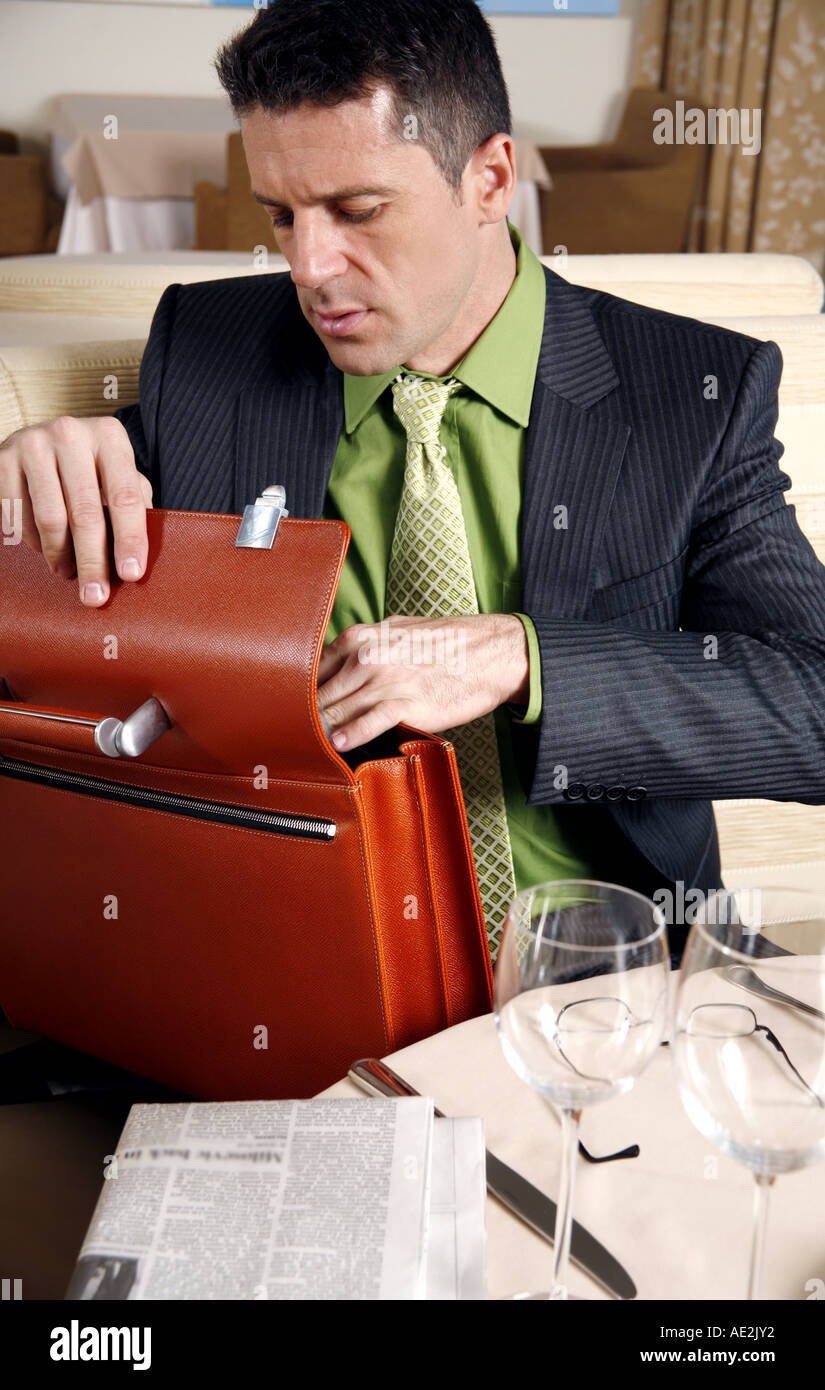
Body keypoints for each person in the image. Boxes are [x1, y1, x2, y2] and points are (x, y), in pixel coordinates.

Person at [2, 0, 824, 963]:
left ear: (490, 180)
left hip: (607, 974)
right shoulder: (210, 355)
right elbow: (79, 593)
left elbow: (810, 705)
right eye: (280, 214)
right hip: (292, 961)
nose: (307, 268)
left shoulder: (690, 394)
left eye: (356, 211)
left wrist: (523, 661)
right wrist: (27, 486)